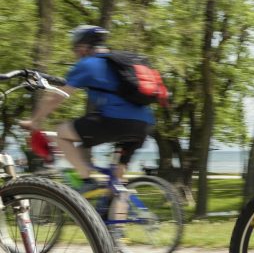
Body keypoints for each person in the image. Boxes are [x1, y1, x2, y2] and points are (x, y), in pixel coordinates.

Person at [20, 25, 154, 191]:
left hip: (115, 120)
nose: (75, 53)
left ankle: (86, 181)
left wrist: (35, 120)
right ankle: (113, 212)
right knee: (116, 179)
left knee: (62, 133)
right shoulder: (115, 64)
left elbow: (56, 96)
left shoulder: (88, 64)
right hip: (144, 124)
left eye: (75, 49)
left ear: (83, 47)